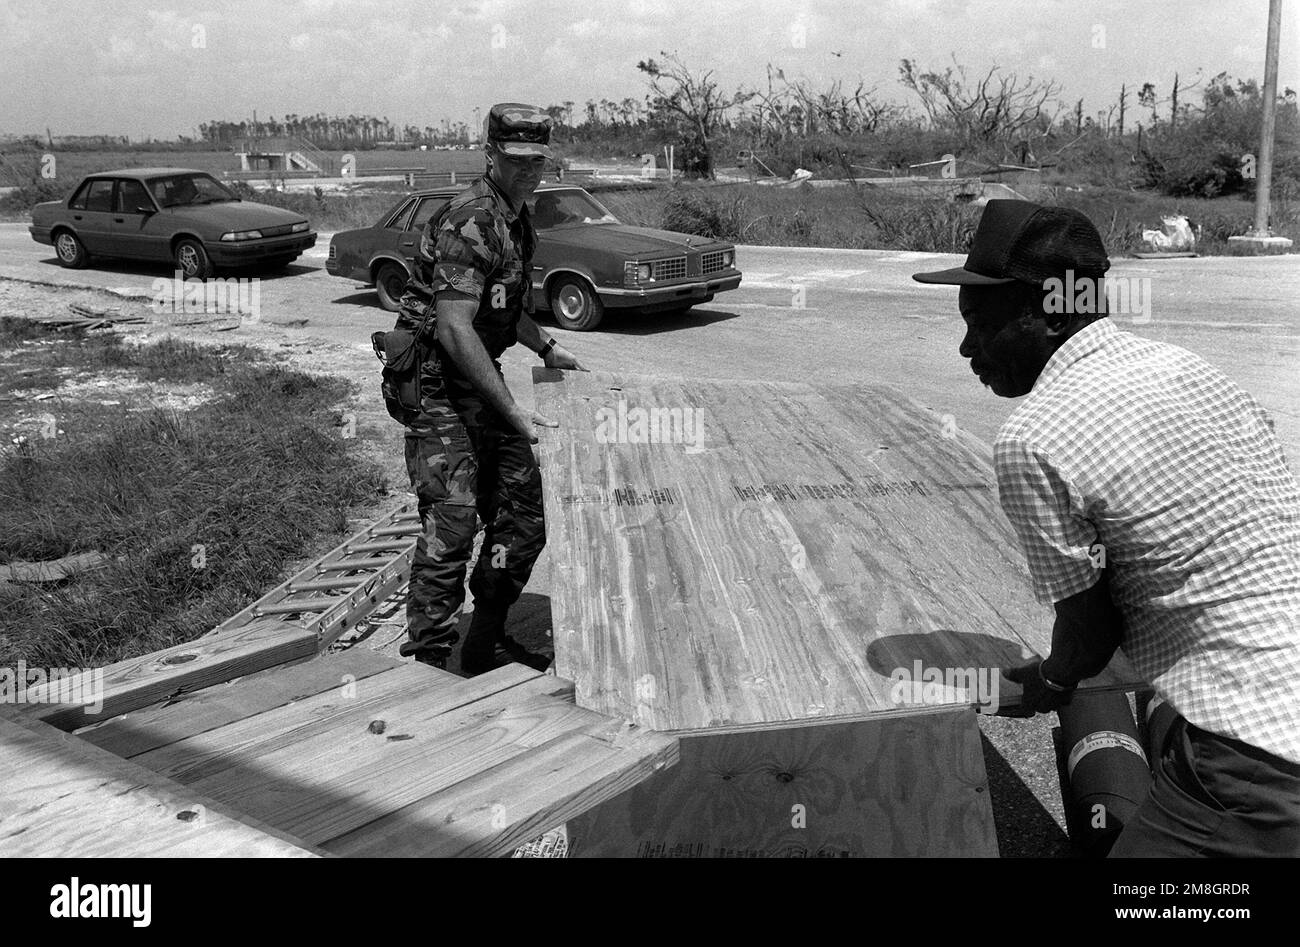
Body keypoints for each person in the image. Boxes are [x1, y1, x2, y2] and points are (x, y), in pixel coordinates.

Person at [912, 199, 1300, 856]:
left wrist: (1045, 685)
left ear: (1057, 311)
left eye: (982, 323)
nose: (967, 346)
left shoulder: (1033, 437)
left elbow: (1090, 633)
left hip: (1254, 755)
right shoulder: (1189, 368)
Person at [392, 102, 586, 675]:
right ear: (491, 155)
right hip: (435, 380)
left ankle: (485, 634)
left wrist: (548, 348)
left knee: (525, 513)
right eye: (517, 160)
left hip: (479, 373)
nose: (530, 171)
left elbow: (502, 308)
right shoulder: (470, 218)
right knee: (452, 521)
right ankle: (426, 663)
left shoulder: (515, 217)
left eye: (538, 161)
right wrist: (515, 413)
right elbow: (454, 327)